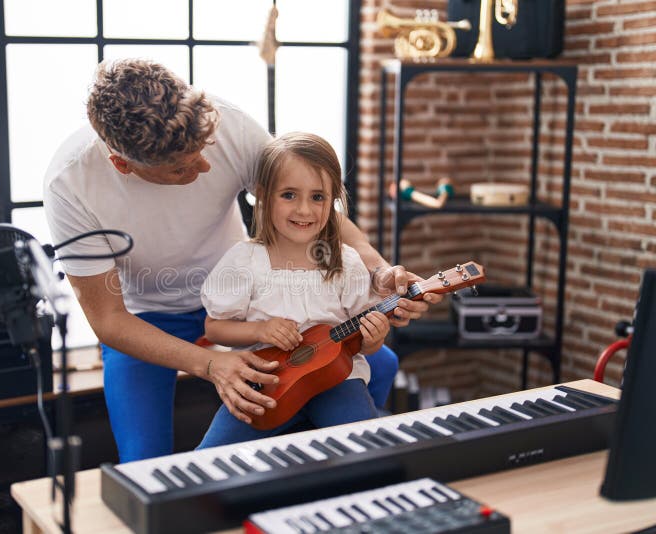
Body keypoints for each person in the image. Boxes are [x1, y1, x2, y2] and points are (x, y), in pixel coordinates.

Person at [43, 58, 440, 463]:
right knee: (143, 460)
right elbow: (108, 320)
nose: (204, 165)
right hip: (147, 315)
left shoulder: (226, 123)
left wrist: (379, 271)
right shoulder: (70, 185)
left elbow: (307, 204)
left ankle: (315, 462)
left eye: (203, 149)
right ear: (123, 165)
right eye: (182, 167)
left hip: (249, 298)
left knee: (381, 364)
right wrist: (213, 364)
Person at [197, 132, 392, 448]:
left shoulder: (346, 262)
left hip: (337, 382)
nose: (304, 210)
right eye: (289, 195)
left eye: (318, 197)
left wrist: (375, 337)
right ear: (263, 196)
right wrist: (260, 329)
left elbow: (364, 346)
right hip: (267, 382)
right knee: (207, 458)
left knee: (367, 450)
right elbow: (214, 329)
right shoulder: (243, 261)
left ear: (333, 202)